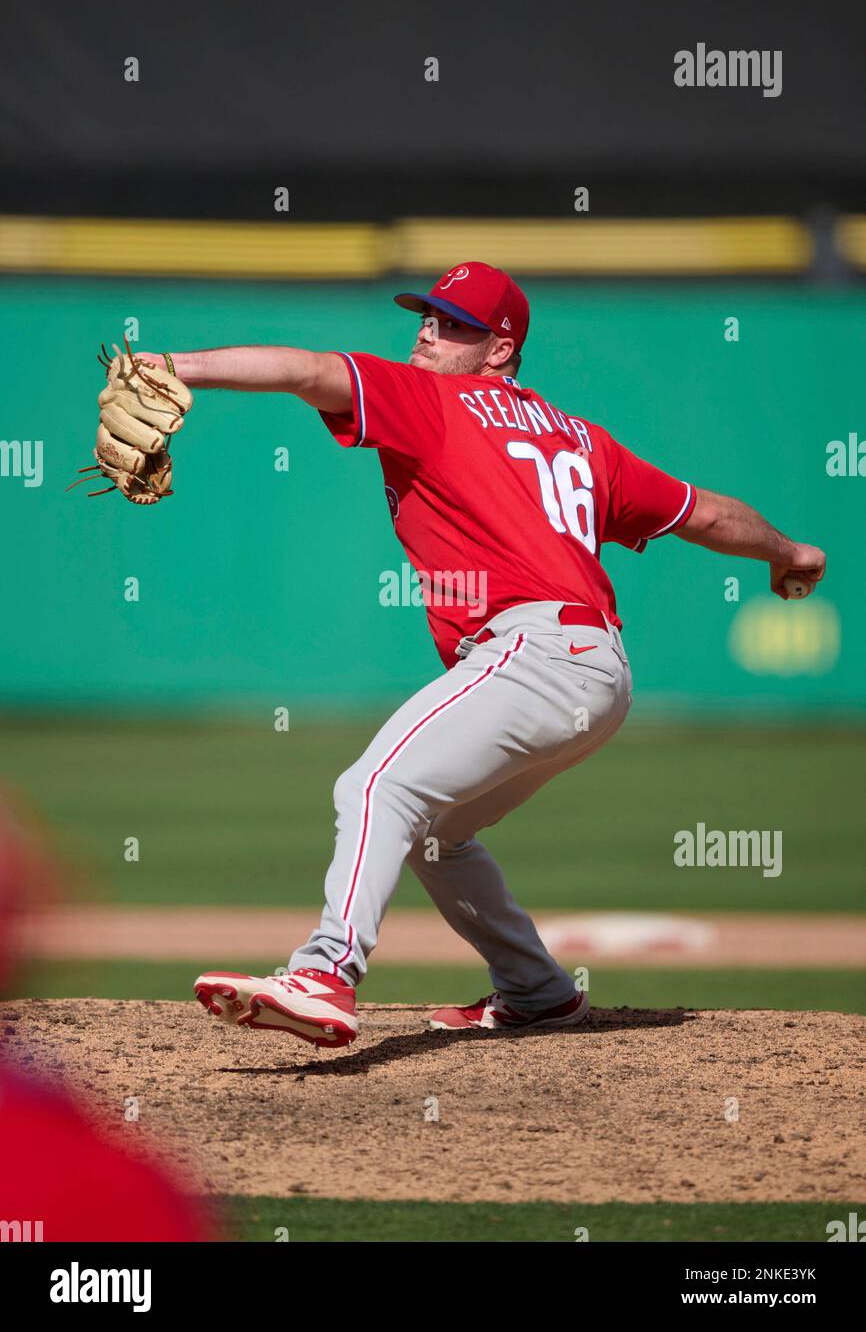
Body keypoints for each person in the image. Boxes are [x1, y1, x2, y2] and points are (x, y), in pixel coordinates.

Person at [131, 261, 825, 1047]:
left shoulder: (428, 397)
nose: (428, 331)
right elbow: (704, 514)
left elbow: (310, 370)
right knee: (435, 833)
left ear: (499, 349)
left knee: (376, 785)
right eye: (426, 316)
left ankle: (325, 973)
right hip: (598, 674)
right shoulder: (582, 439)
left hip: (536, 652)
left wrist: (172, 367)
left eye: (454, 324)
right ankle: (537, 991)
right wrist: (789, 550)